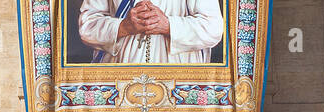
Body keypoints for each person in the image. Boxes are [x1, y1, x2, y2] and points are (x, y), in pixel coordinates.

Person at [79, 0, 225, 65]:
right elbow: (87, 26)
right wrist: (123, 27)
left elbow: (213, 29)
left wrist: (168, 25)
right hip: (119, 88)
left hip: (179, 86)